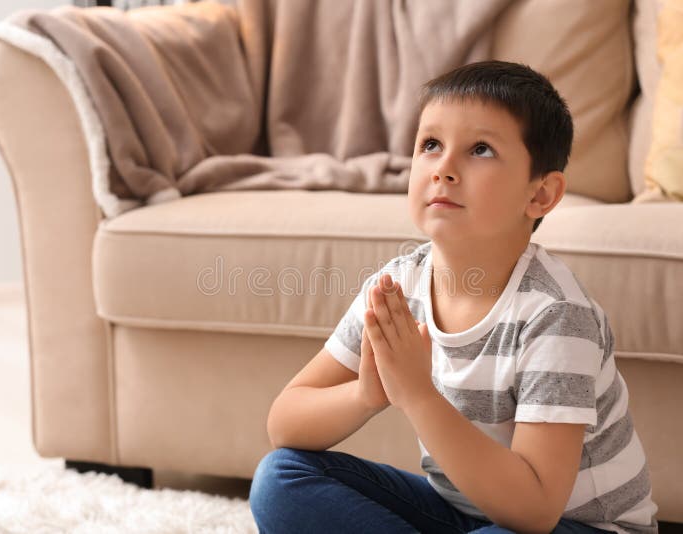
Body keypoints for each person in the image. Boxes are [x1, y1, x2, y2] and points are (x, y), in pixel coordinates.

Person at [249, 60, 659, 534]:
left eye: (480, 149)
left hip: (573, 526)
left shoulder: (556, 315)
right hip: (463, 515)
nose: (443, 169)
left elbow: (535, 511)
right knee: (281, 479)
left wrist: (419, 397)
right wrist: (366, 394)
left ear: (541, 195)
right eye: (431, 145)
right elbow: (285, 423)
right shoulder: (398, 285)